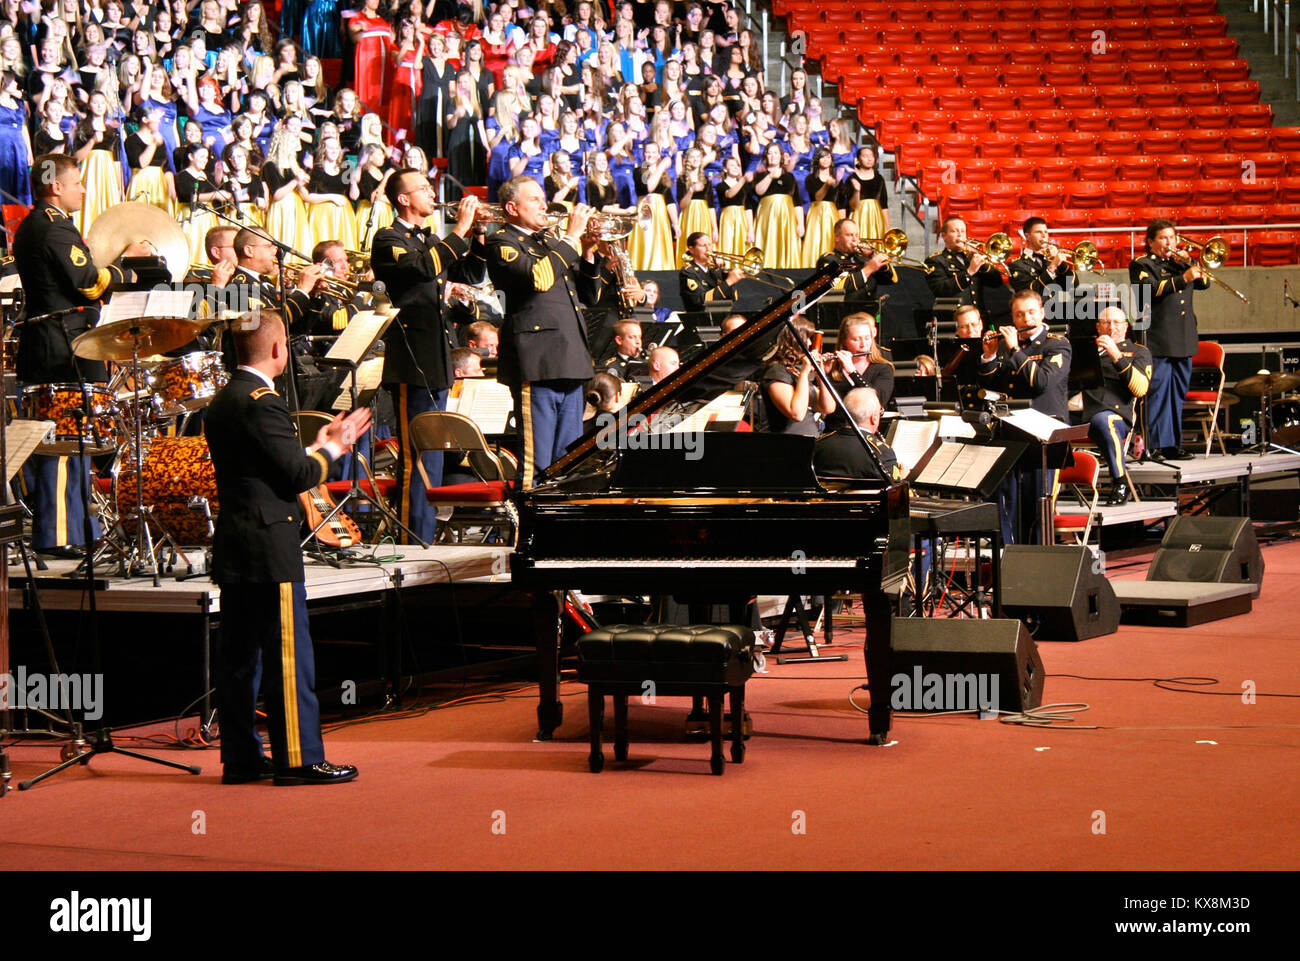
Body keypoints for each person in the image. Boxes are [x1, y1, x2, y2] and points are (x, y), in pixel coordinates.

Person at [207, 308, 371, 786]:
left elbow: (266, 466)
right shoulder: (263, 400)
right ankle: (298, 758)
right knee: (286, 654)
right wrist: (335, 448)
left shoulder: (225, 398)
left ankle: (240, 757)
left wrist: (313, 446)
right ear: (278, 350)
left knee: (240, 657)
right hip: (269, 542)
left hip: (238, 537)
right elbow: (297, 477)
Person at [13, 154, 152, 557]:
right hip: (61, 349)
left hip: (62, 345)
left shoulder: (44, 225)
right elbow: (89, 285)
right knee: (62, 446)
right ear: (56, 187)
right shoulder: (53, 228)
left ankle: (78, 530)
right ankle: (60, 535)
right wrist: (129, 267)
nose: (83, 190)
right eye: (78, 183)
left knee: (75, 445)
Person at [371, 170, 479, 543]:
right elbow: (421, 269)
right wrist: (460, 228)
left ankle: (427, 535)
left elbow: (472, 272)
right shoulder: (388, 239)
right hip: (411, 360)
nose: (433, 194)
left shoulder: (432, 238)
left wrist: (476, 236)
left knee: (433, 453)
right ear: (403, 199)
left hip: (437, 358)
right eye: (424, 189)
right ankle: (411, 537)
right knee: (416, 455)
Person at [485, 174, 603, 488]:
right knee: (537, 462)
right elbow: (539, 279)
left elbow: (590, 297)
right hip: (537, 362)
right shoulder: (502, 241)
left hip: (571, 358)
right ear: (512, 207)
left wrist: (588, 252)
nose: (544, 204)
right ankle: (530, 532)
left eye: (543, 197)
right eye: (535, 198)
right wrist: (572, 237)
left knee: (569, 458)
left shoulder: (551, 242)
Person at [979, 288, 1071, 544]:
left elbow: (1041, 382)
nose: (1026, 319)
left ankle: (1037, 561)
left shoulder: (1058, 343)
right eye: (1019, 315)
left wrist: (1014, 350)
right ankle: (1009, 555)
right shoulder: (1010, 345)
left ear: (1041, 313)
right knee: (1007, 503)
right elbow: (991, 385)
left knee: (1035, 509)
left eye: (1031, 312)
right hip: (1012, 433)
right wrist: (990, 354)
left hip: (1044, 436)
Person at [1129, 218, 1208, 462]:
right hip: (1159, 338)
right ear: (1151, 242)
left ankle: (1172, 444)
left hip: (1183, 337)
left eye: (1172, 237)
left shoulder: (1179, 264)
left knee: (1177, 394)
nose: (1169, 242)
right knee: (1158, 393)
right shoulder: (1141, 264)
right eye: (1163, 238)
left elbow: (1204, 284)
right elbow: (1149, 290)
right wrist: (1183, 276)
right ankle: (1155, 445)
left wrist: (1192, 263)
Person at [1082, 306, 1152, 506]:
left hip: (1112, 413)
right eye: (1106, 322)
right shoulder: (1084, 350)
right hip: (1075, 410)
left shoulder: (1138, 352)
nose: (1111, 327)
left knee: (1104, 420)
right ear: (1098, 326)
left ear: (1126, 326)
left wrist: (1116, 356)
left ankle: (1120, 481)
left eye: (1117, 323)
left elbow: (1141, 389)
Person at [926, 217, 1008, 326]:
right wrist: (969, 272)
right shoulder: (935, 261)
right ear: (944, 236)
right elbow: (941, 289)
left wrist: (981, 263)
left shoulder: (972, 258)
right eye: (954, 231)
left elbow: (996, 282)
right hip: (953, 321)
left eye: (963, 231)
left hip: (979, 320)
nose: (960, 235)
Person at [762, 316, 833, 435]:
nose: (810, 343)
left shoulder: (796, 369)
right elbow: (797, 413)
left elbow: (828, 407)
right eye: (807, 338)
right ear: (794, 340)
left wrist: (821, 374)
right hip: (790, 443)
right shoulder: (776, 371)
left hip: (811, 438)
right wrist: (804, 373)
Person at [813, 387, 900, 483]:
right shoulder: (881, 452)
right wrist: (903, 477)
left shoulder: (819, 445)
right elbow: (894, 490)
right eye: (880, 412)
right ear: (874, 418)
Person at [814, 218, 895, 308]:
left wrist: (873, 255)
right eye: (849, 235)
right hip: (843, 316)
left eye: (856, 235)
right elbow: (838, 287)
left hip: (869, 315)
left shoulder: (863, 259)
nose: (855, 239)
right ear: (837, 237)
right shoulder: (829, 259)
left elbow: (890, 279)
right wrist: (868, 269)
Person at [1008, 217, 1072, 318]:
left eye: (1046, 232)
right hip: (1035, 317)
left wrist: (1061, 263)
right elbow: (1030, 292)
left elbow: (1072, 286)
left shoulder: (1049, 260)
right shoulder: (1016, 265)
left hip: (1059, 314)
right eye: (1039, 232)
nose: (1044, 236)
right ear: (1027, 236)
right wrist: (1052, 267)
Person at [827, 312, 894, 409]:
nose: (863, 344)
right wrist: (822, 374)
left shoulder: (883, 368)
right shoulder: (833, 368)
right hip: (836, 423)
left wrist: (853, 372)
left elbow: (877, 400)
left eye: (867, 338)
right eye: (856, 339)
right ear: (844, 341)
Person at [679, 231, 744, 313]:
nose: (708, 249)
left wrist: (724, 271)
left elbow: (733, 298)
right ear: (691, 249)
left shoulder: (716, 270)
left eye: (709, 244)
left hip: (723, 315)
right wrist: (729, 281)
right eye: (703, 245)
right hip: (700, 318)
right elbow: (701, 301)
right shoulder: (688, 272)